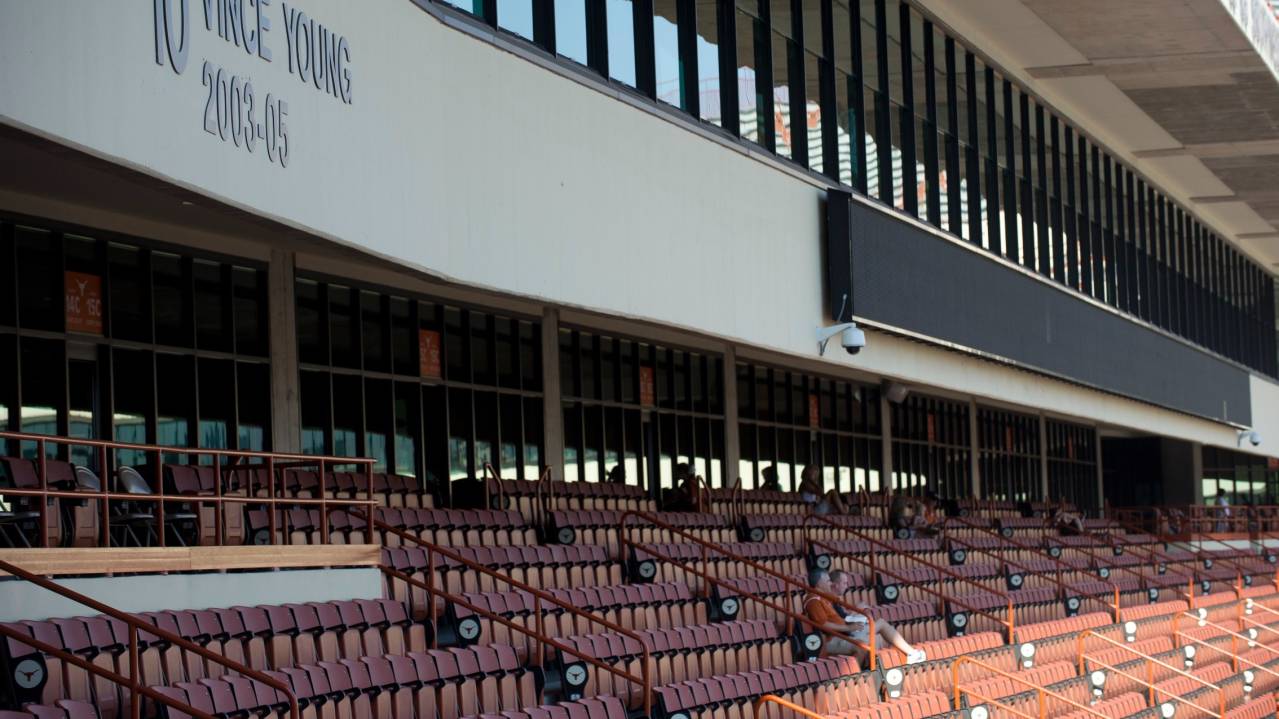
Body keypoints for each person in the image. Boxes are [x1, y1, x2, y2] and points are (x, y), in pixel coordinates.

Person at [803, 568, 925, 665]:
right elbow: (823, 625)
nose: (830, 583)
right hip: (833, 639)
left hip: (844, 633)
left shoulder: (824, 597)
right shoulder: (813, 600)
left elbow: (842, 615)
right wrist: (849, 628)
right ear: (819, 582)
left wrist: (851, 623)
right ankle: (857, 676)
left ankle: (908, 654)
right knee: (863, 644)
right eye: (827, 580)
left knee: (877, 629)